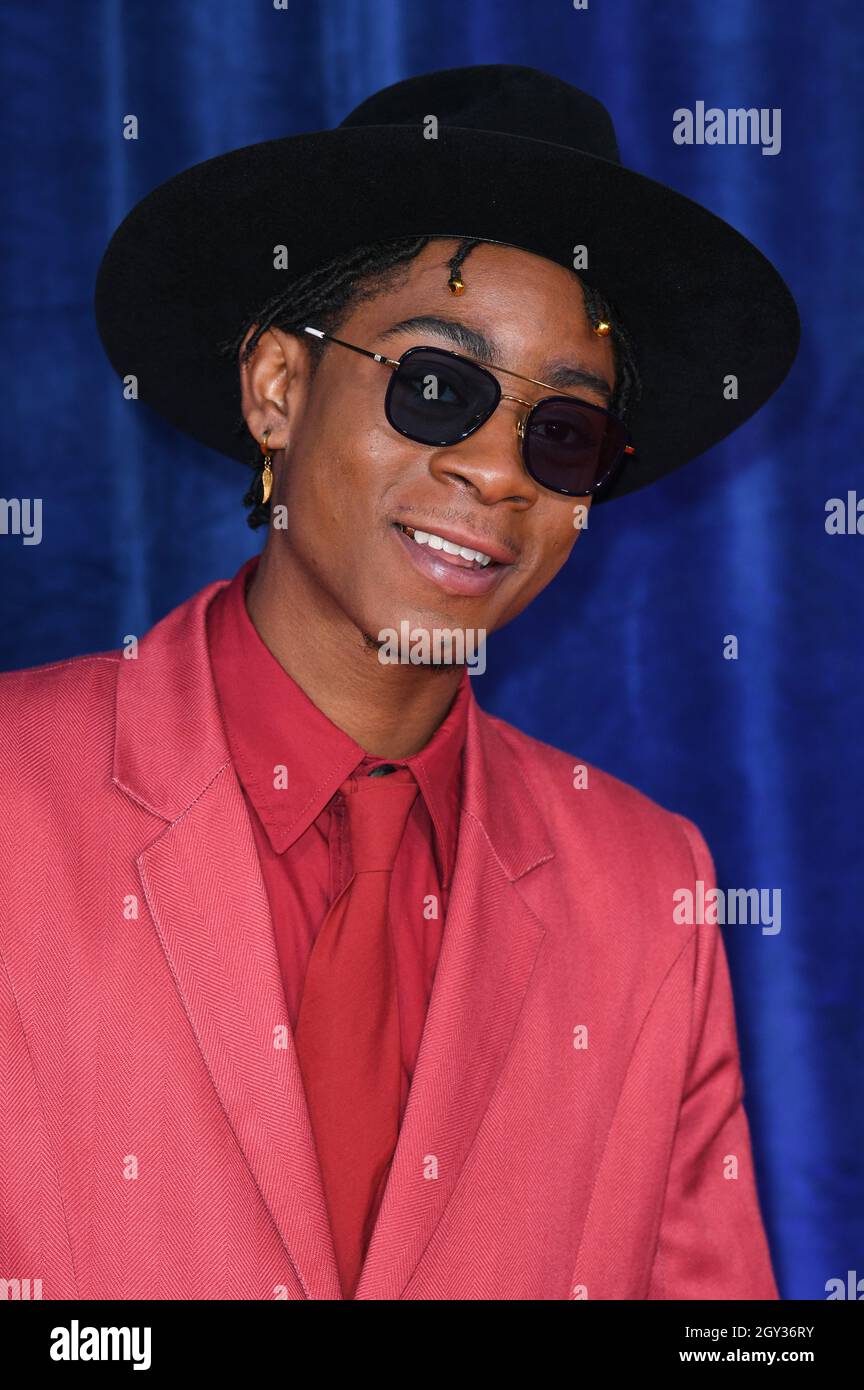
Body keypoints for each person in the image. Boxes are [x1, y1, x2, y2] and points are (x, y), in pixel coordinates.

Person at [0, 65, 797, 1300]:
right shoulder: (16, 803)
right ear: (278, 387)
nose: (496, 472)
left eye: (562, 431)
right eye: (438, 387)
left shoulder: (649, 894)